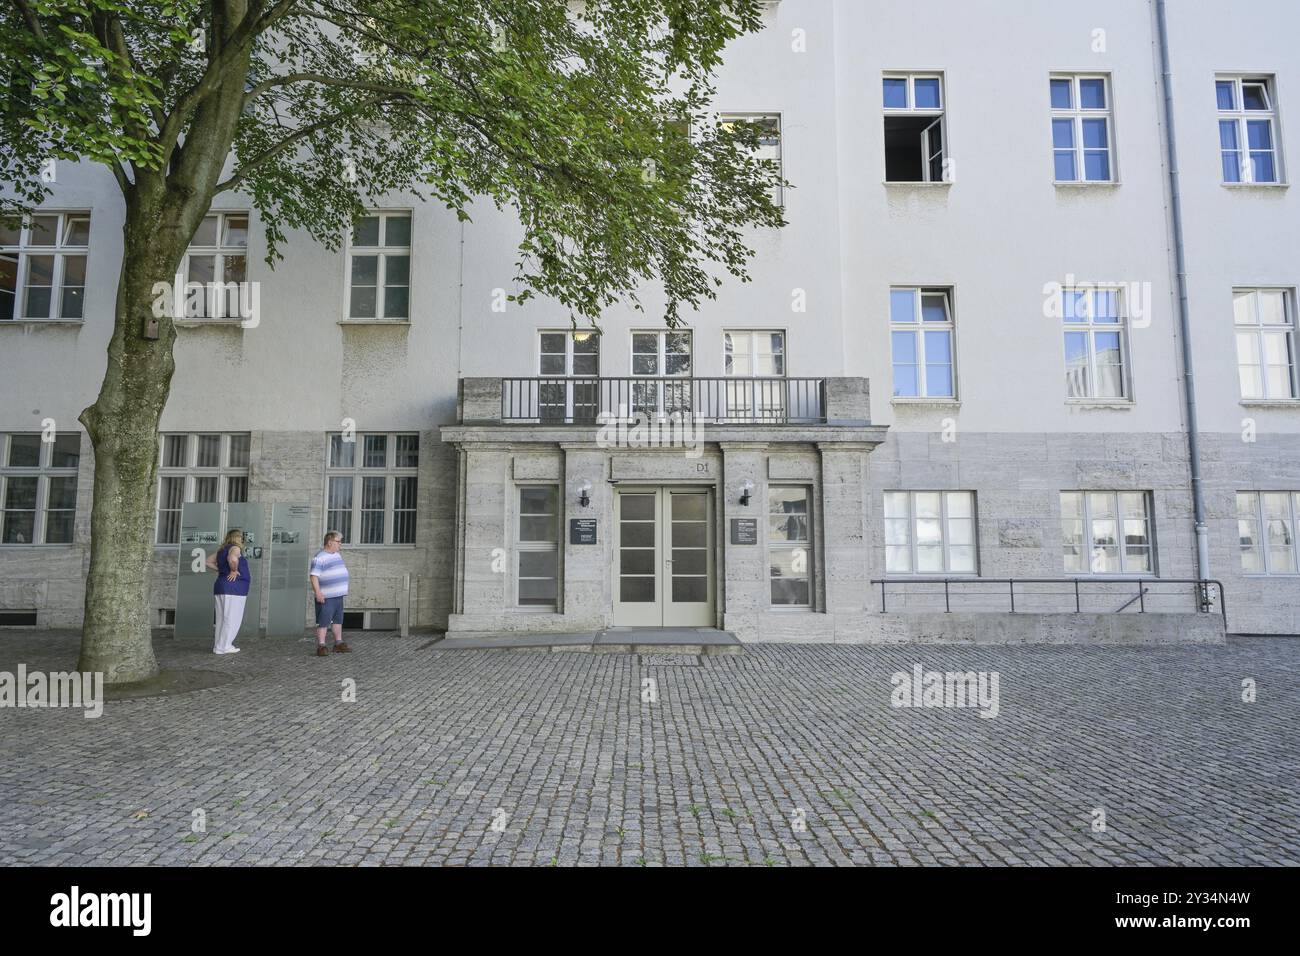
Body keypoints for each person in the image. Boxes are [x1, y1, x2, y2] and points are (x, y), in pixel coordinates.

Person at [206, 528, 250, 655]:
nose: (242, 539)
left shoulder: (221, 550)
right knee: (231, 618)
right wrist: (233, 570)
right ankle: (224, 646)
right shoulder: (235, 548)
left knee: (222, 618)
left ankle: (219, 646)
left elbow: (208, 562)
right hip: (234, 589)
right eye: (241, 537)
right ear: (236, 538)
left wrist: (222, 571)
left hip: (221, 586)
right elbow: (233, 559)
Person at [310, 530, 351, 656]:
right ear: (329, 542)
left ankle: (338, 643)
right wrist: (318, 593)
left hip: (338, 595)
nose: (340, 544)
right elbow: (314, 576)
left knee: (338, 620)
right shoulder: (319, 557)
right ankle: (321, 646)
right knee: (323, 622)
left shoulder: (336, 555)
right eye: (338, 541)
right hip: (326, 596)